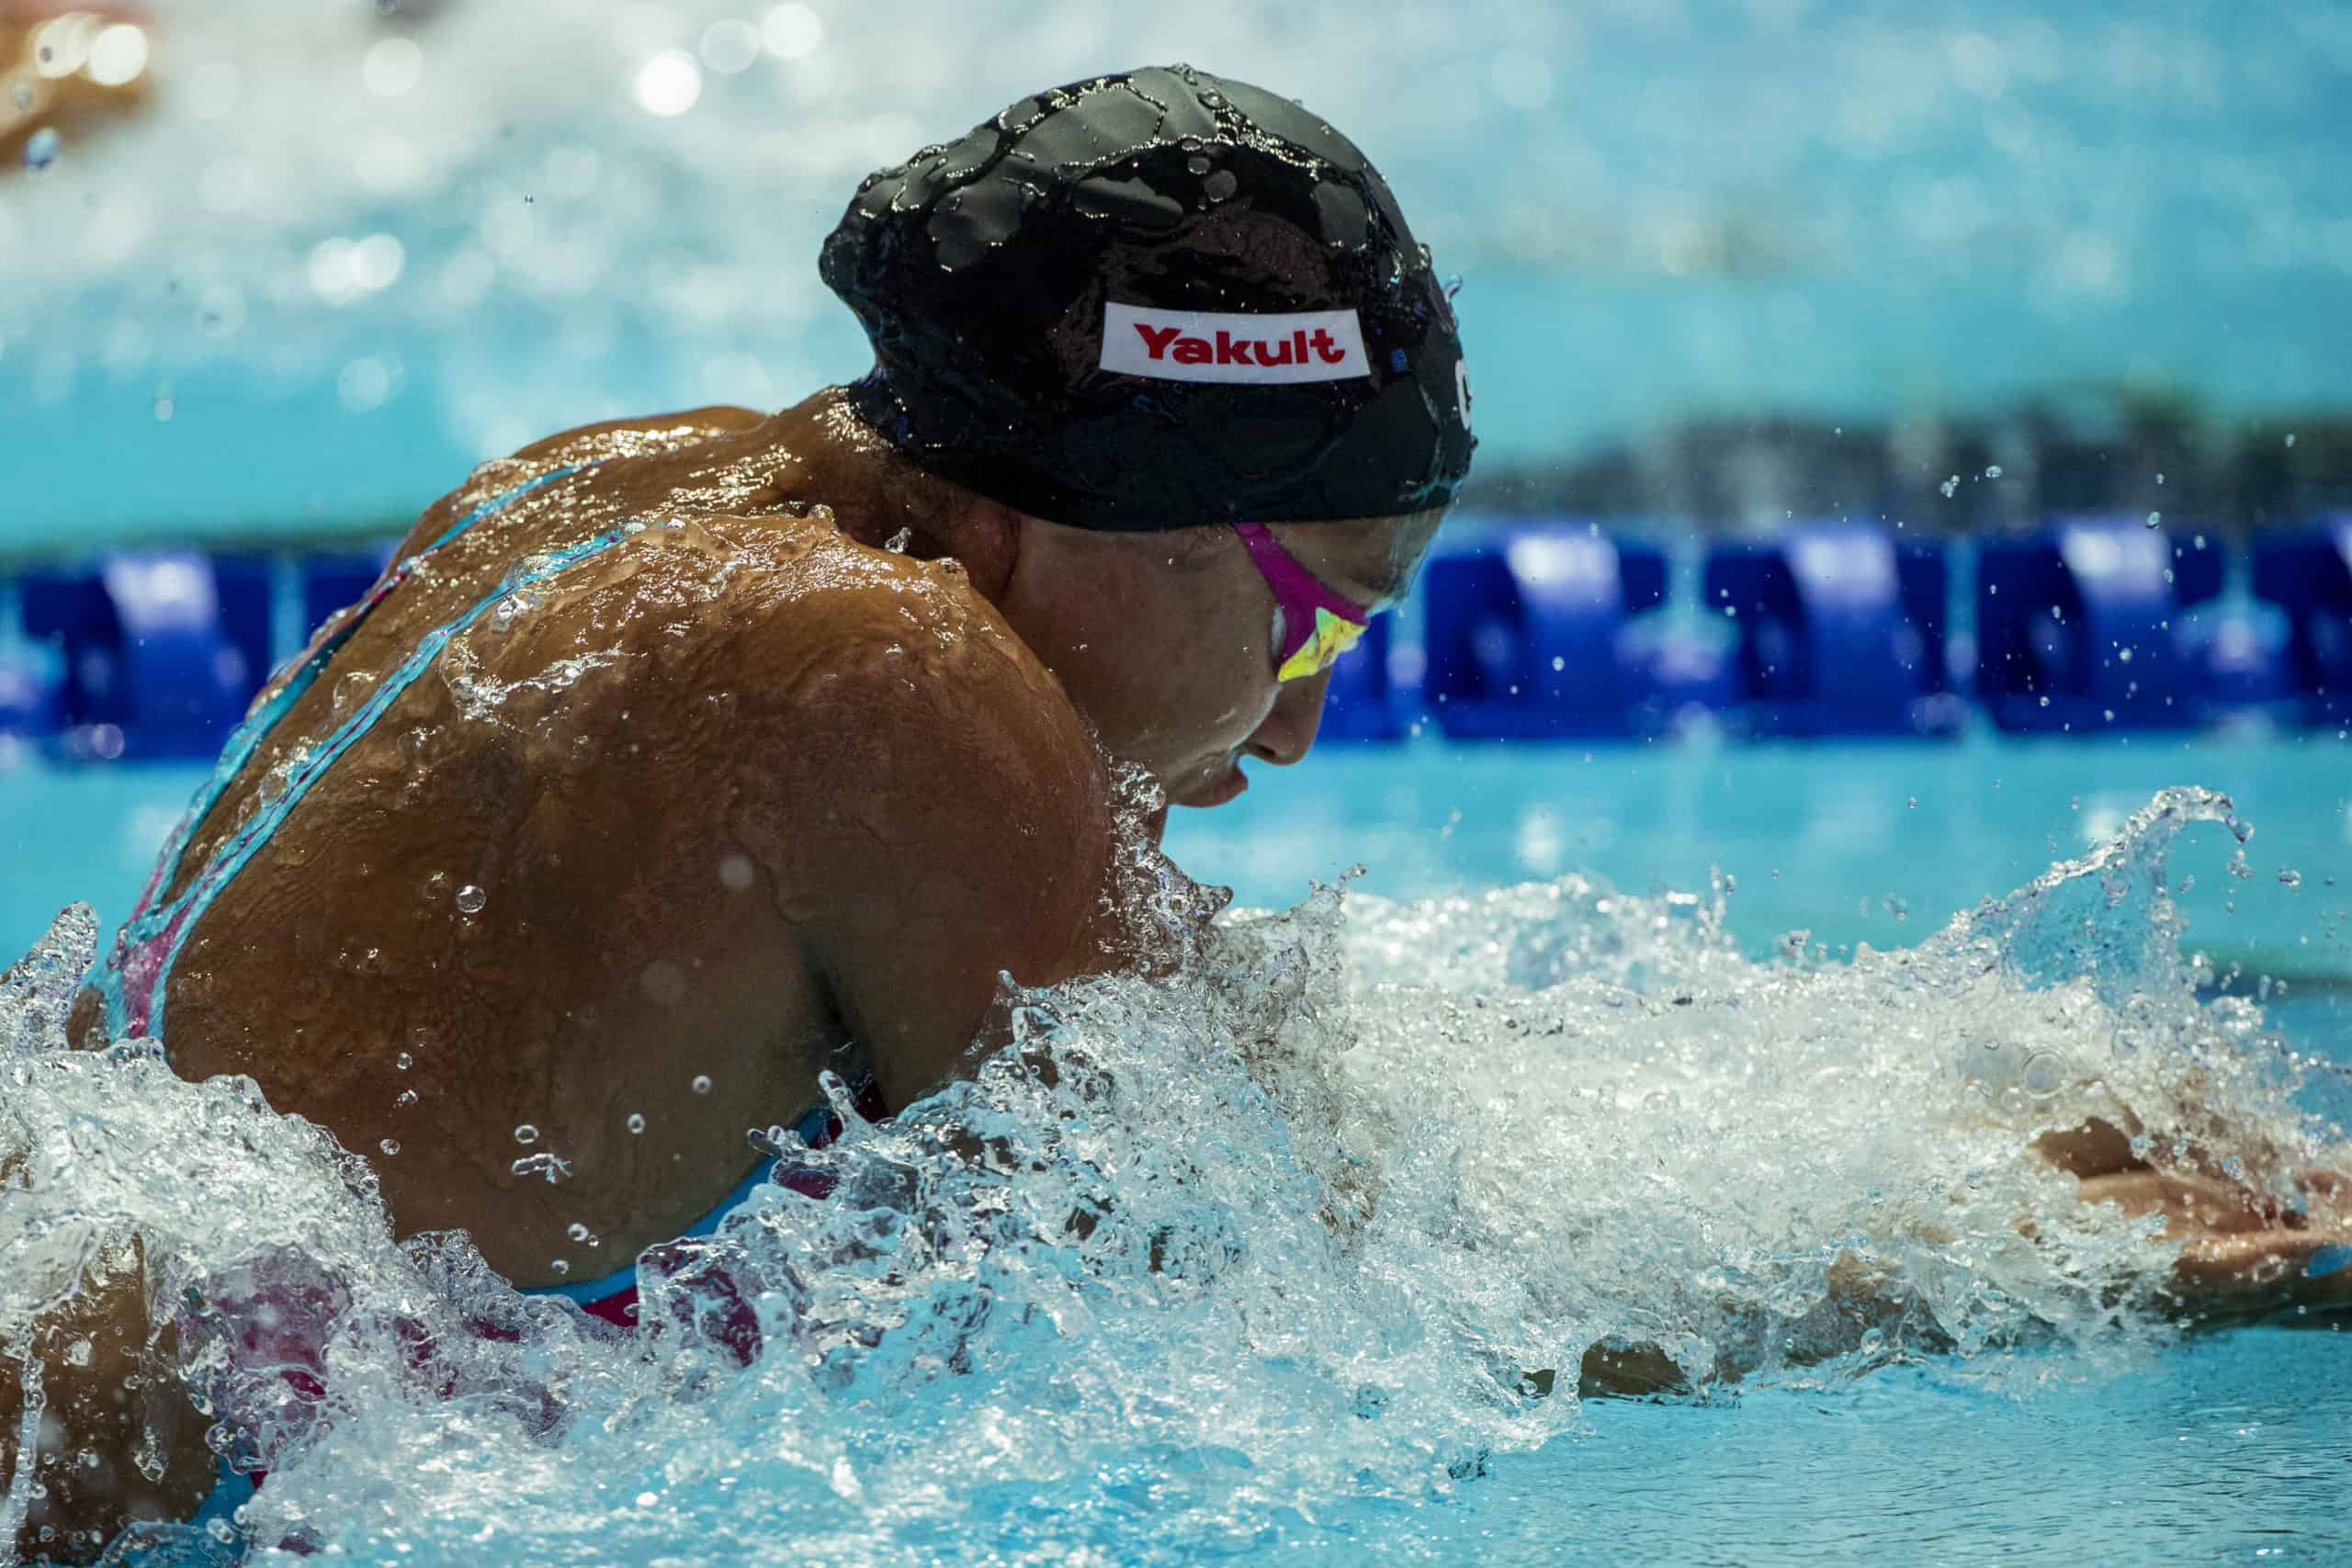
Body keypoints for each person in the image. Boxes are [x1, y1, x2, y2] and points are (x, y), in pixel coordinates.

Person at [4, 62, 2342, 1561]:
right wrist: (1983, 1266)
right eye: (1316, 617)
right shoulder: (882, 681)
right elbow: (1285, 1324)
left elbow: (1239, 1103)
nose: (1304, 728)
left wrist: (1907, 1130)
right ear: (1122, 502)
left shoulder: (623, 490)